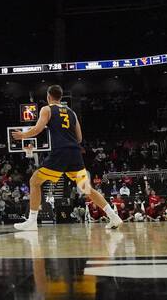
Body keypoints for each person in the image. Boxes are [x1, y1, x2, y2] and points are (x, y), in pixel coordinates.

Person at [9, 85, 123, 231]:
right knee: (86, 188)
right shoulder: (72, 113)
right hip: (75, 153)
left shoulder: (47, 109)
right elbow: (80, 138)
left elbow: (37, 129)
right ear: (61, 97)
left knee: (34, 181)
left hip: (60, 152)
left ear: (48, 96)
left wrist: (22, 135)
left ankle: (32, 221)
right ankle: (114, 217)